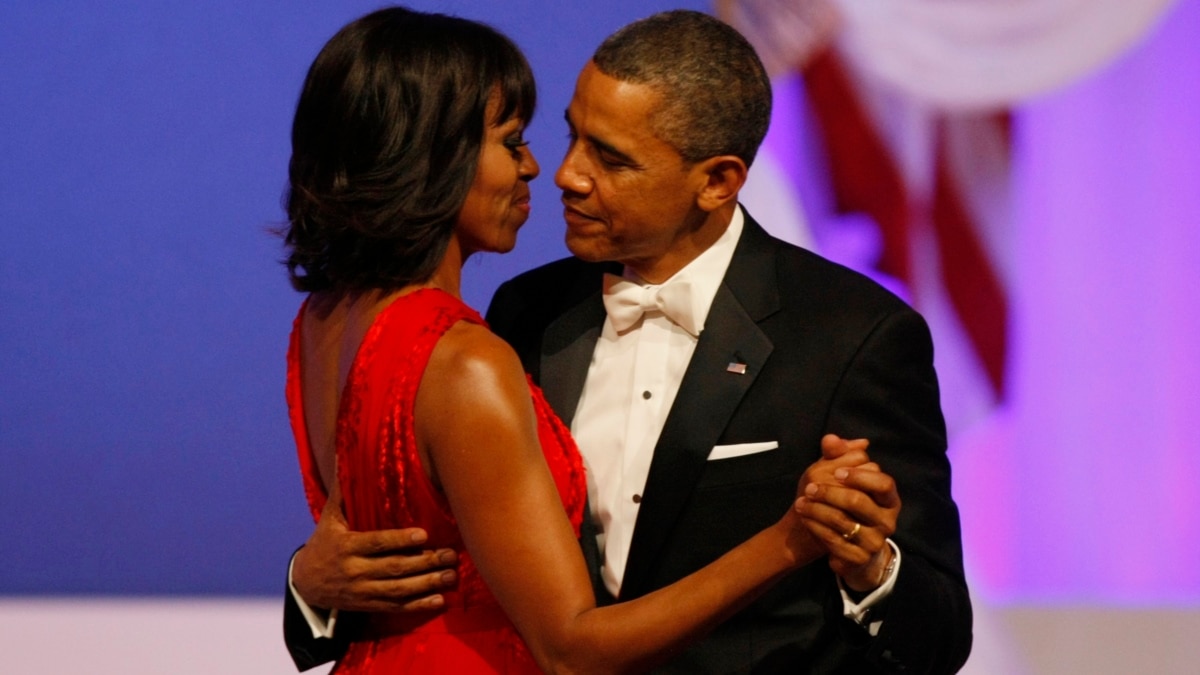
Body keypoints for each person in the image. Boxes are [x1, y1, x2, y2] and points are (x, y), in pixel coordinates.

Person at [280, 7, 884, 674]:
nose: (551, 170)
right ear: (433, 156)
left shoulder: (321, 324)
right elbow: (569, 647)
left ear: (716, 179)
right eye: (514, 141)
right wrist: (790, 540)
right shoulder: (489, 342)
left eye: (609, 155)